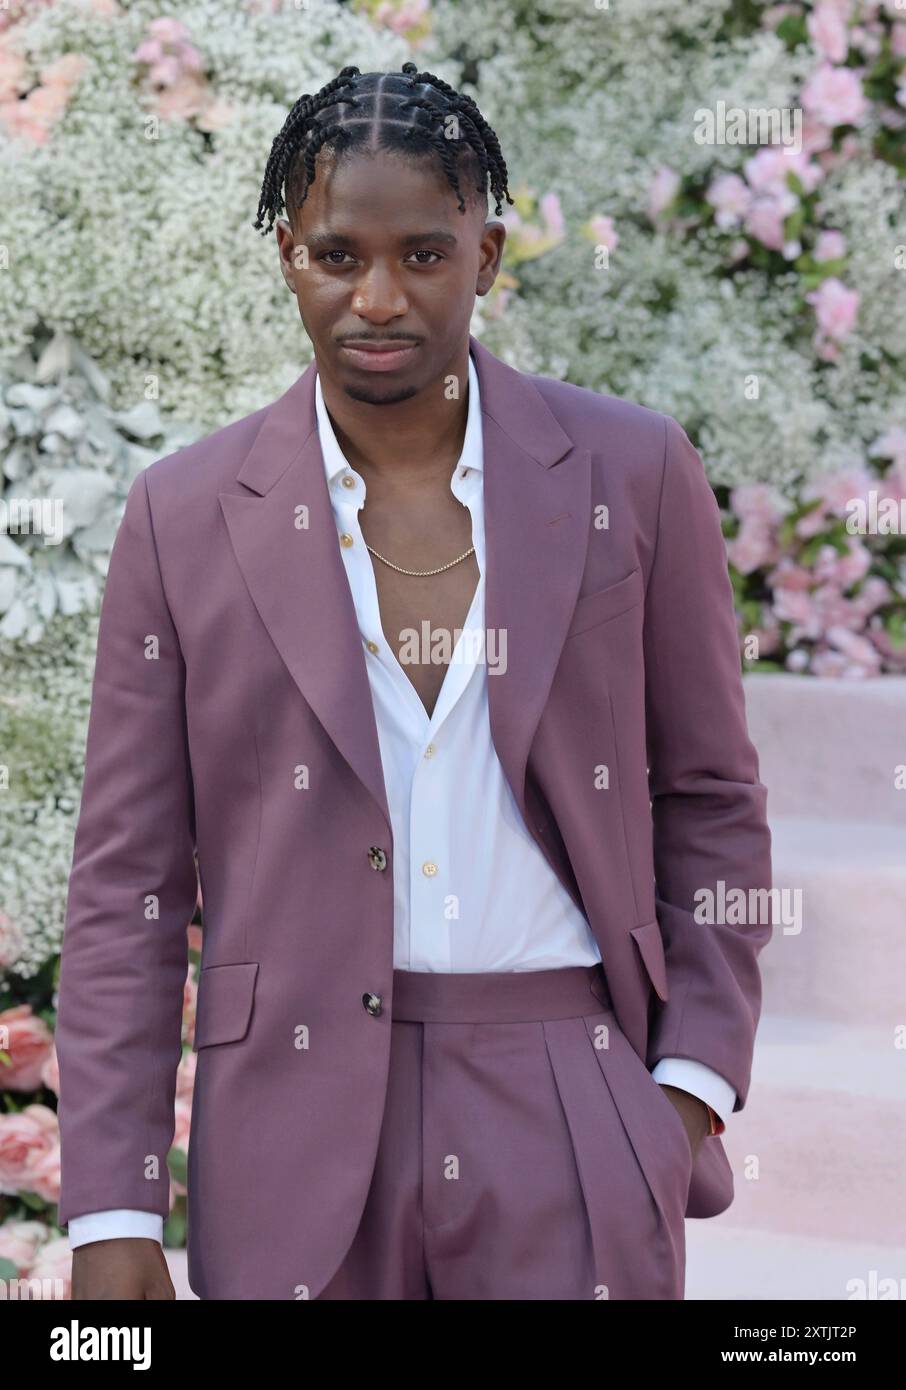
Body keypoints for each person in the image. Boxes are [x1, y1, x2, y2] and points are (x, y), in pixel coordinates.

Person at [56, 63, 772, 1300]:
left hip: (572, 1098)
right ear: (286, 254)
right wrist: (111, 1205)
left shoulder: (634, 471)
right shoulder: (181, 515)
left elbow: (711, 796)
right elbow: (128, 879)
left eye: (425, 254)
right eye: (338, 254)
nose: (377, 297)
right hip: (289, 1127)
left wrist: (687, 1094)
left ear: (489, 254)